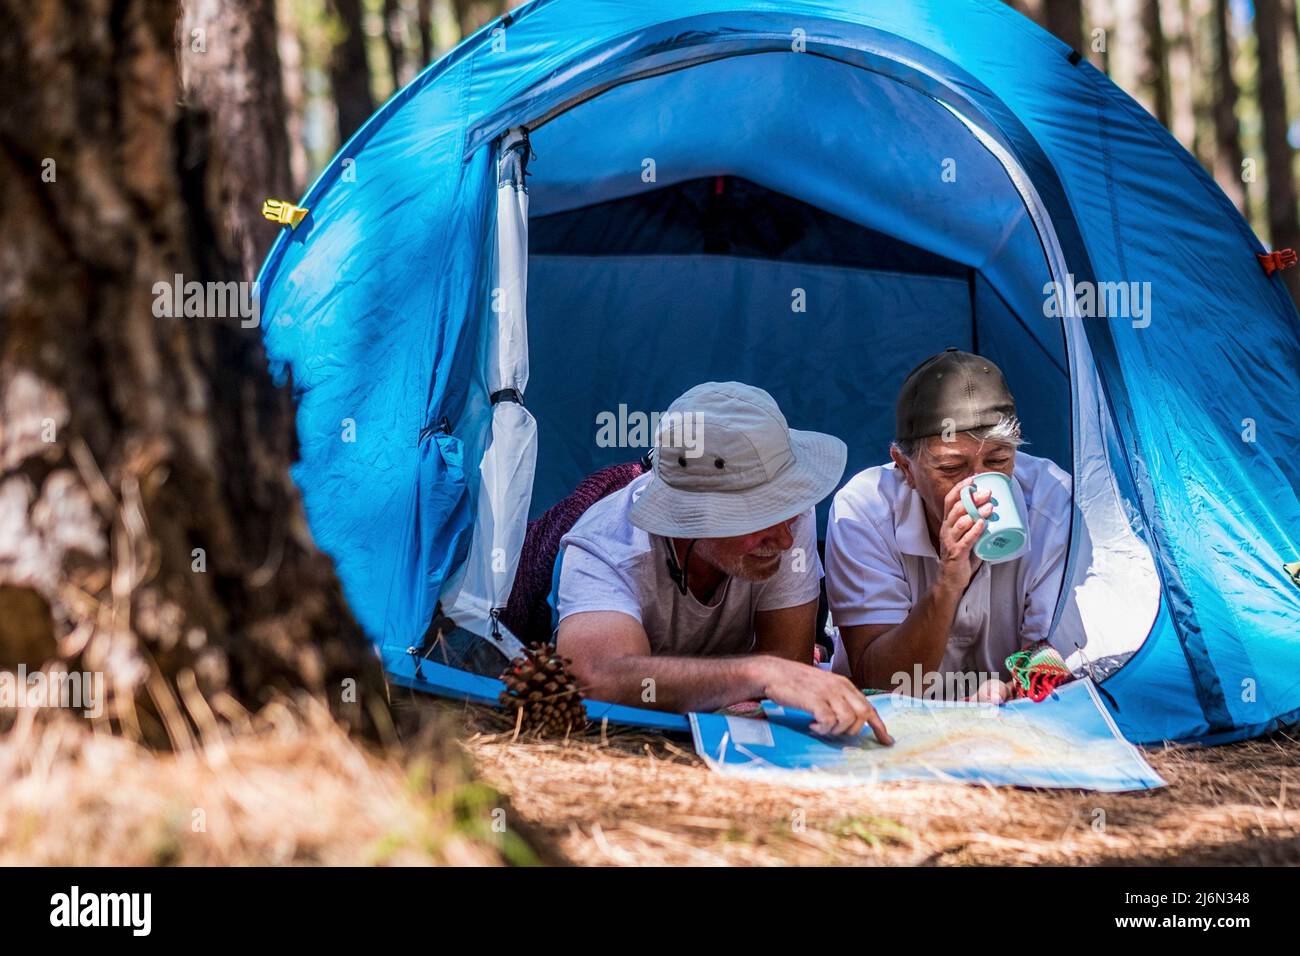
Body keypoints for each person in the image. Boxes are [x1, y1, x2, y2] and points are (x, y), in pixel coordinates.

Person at [554, 382, 892, 742]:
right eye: (760, 516)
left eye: (788, 510)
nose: (785, 539)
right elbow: (596, 680)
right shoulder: (606, 547)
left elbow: (789, 665)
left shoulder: (791, 516)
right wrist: (758, 672)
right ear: (690, 516)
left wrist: (769, 673)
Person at [824, 349, 1071, 701]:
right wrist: (947, 583)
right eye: (952, 469)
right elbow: (878, 678)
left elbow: (1050, 654)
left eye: (998, 460)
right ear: (905, 468)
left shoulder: (1053, 502)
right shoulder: (865, 511)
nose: (979, 484)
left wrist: (1014, 689)